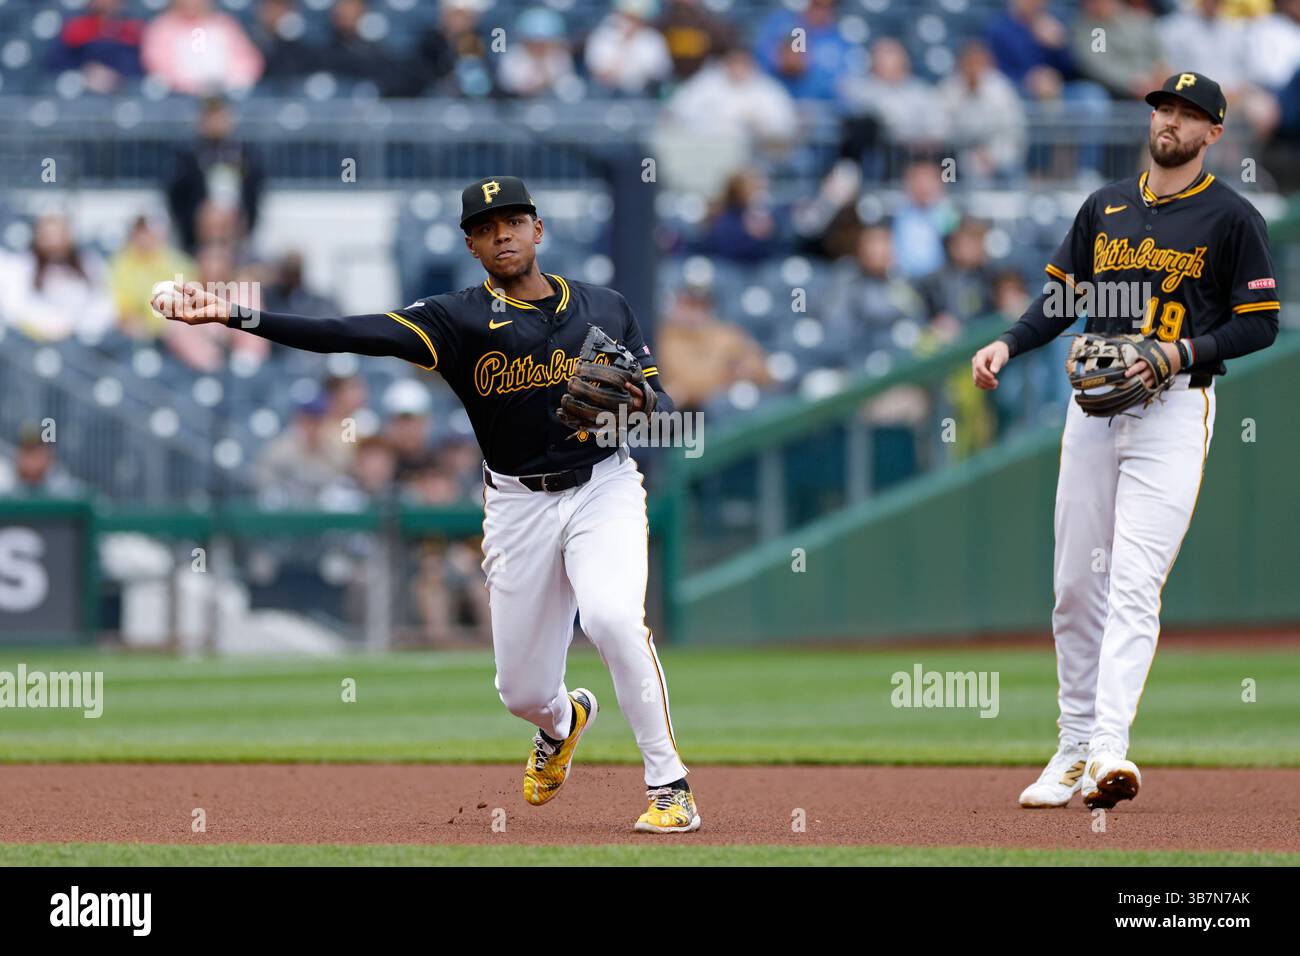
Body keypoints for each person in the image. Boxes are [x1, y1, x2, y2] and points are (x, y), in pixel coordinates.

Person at [154, 176, 700, 833]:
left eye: (514, 220)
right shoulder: (457, 319)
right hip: (517, 505)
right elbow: (342, 333)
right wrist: (231, 311)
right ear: (470, 244)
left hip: (602, 487)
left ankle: (669, 785)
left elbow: (669, 414)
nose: (503, 233)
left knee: (613, 618)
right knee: (522, 693)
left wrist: (642, 403)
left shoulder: (605, 308)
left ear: (539, 229)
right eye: (486, 226)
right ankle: (563, 721)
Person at [970, 73, 1279, 810]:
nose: (1171, 120)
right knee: (1076, 587)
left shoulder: (1233, 218)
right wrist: (1009, 345)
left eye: (1188, 114)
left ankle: (1110, 748)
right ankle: (1073, 748)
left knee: (1133, 584)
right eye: (1164, 108)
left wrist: (1177, 354)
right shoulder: (1104, 206)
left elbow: (1260, 321)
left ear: (1213, 135)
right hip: (1093, 409)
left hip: (1174, 409)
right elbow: (1061, 300)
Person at [165, 97, 265, 256]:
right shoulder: (186, 155)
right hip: (195, 241)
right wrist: (197, 219)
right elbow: (175, 195)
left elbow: (255, 192)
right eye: (210, 116)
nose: (215, 122)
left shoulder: (246, 154)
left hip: (237, 240)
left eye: (220, 116)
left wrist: (240, 220)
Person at [141, 0, 264, 96]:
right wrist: (191, 85)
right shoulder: (162, 27)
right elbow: (156, 63)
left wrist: (229, 81)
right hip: (178, 97)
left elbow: (248, 61)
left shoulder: (224, 24)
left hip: (221, 97)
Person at [45, 0, 144, 94]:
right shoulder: (75, 29)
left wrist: (117, 79)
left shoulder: (133, 31)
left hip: (122, 94)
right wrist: (83, 75)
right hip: (81, 93)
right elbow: (57, 66)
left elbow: (138, 70)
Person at [584, 0, 672, 96]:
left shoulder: (653, 39)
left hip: (642, 94)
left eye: (635, 18)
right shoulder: (604, 35)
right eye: (628, 17)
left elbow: (659, 72)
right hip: (607, 94)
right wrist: (625, 44)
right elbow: (601, 72)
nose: (631, 22)